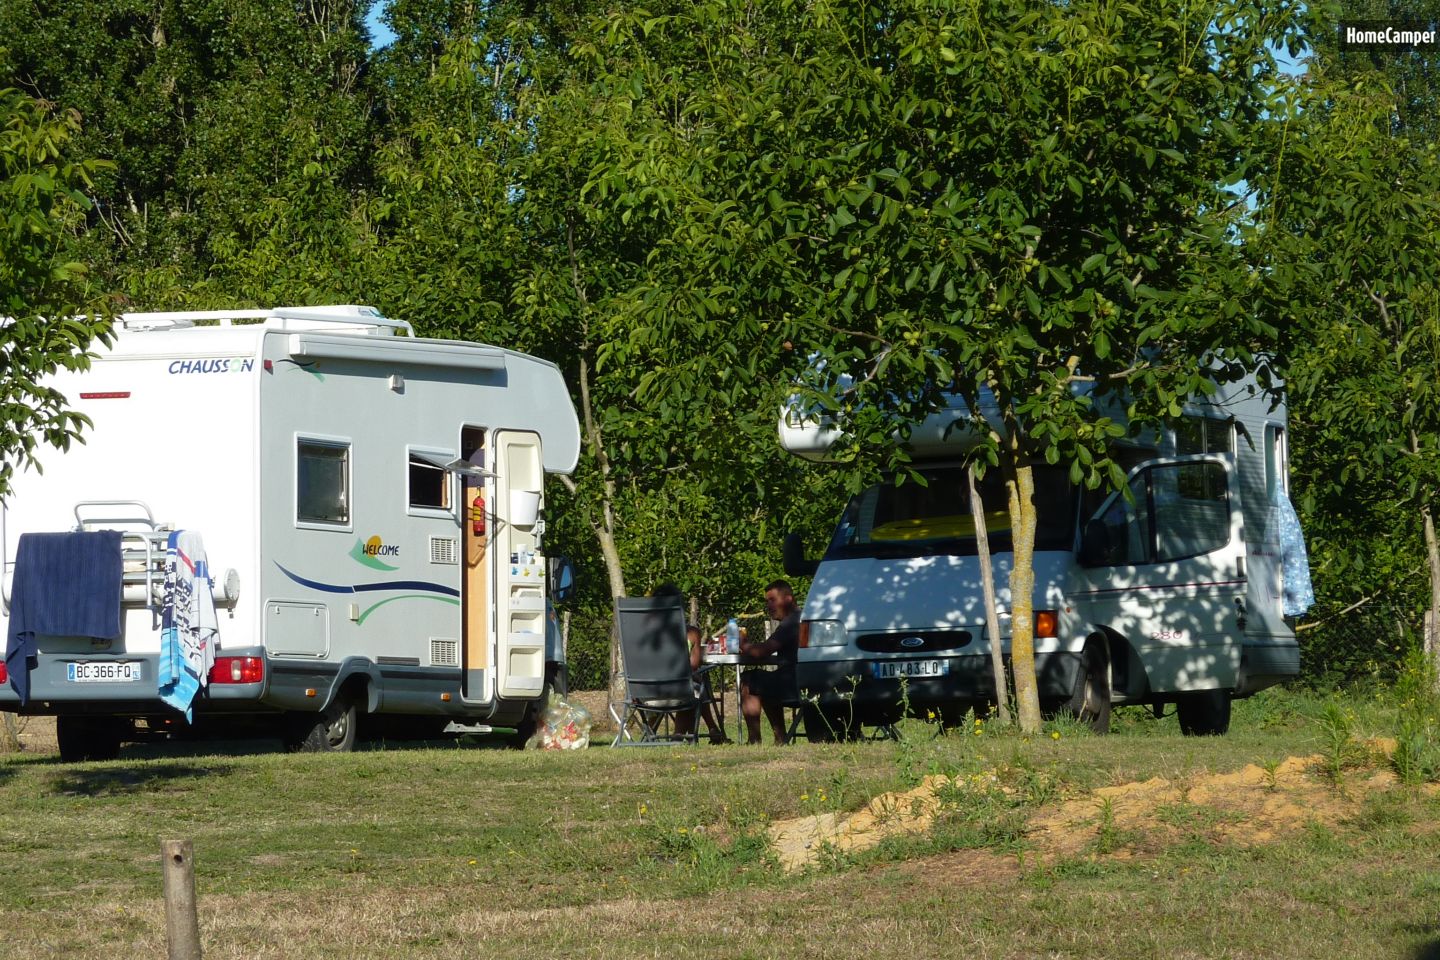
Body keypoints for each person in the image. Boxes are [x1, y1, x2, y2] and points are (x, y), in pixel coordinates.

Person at [739, 579, 800, 745]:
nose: (769, 606)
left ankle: (754, 739)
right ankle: (780, 738)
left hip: (795, 684)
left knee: (750, 679)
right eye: (767, 602)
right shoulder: (801, 619)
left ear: (788, 599)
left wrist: (742, 643)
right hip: (804, 680)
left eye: (772, 600)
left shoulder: (791, 623)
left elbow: (762, 651)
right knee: (763, 680)